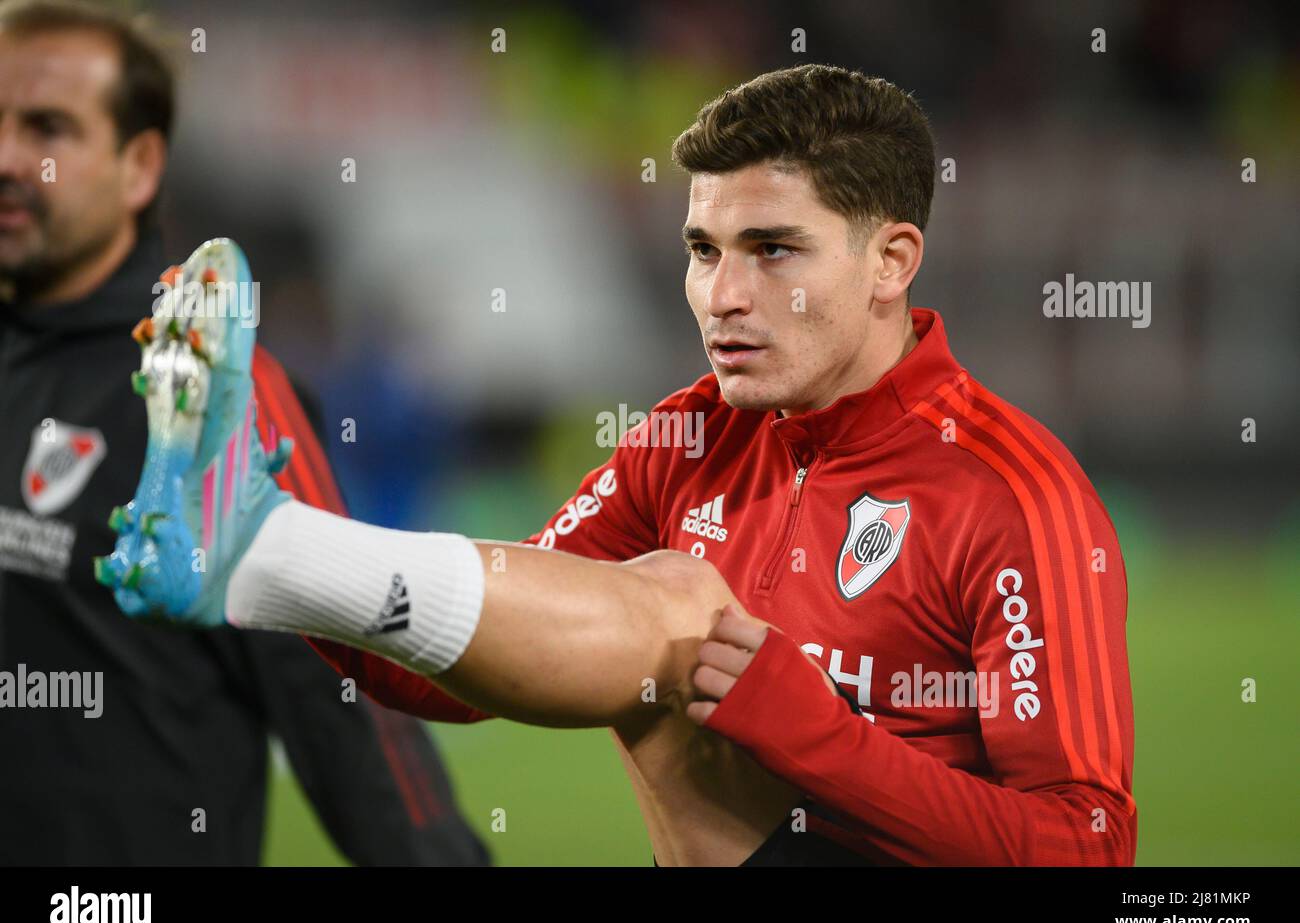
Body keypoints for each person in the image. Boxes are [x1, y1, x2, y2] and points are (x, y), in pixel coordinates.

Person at [102, 64, 1136, 866]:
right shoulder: (689, 437)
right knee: (641, 603)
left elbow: (1087, 846)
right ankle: (257, 549)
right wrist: (295, 593)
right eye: (700, 248)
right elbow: (468, 674)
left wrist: (818, 734)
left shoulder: (1011, 491)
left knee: (684, 607)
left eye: (772, 249)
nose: (721, 294)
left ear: (890, 262)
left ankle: (265, 541)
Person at [0, 0, 487, 866]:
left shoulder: (200, 383)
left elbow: (344, 700)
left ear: (139, 164)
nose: (6, 157)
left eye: (47, 128)